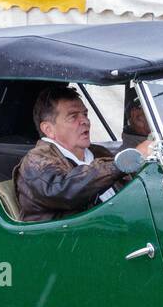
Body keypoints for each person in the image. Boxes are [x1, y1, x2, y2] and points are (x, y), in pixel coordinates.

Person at [14, 86, 148, 222]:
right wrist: (126, 161)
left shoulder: (98, 152)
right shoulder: (35, 160)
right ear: (49, 129)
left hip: (116, 227)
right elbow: (64, 191)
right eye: (73, 117)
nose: (85, 121)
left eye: (85, 114)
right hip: (66, 238)